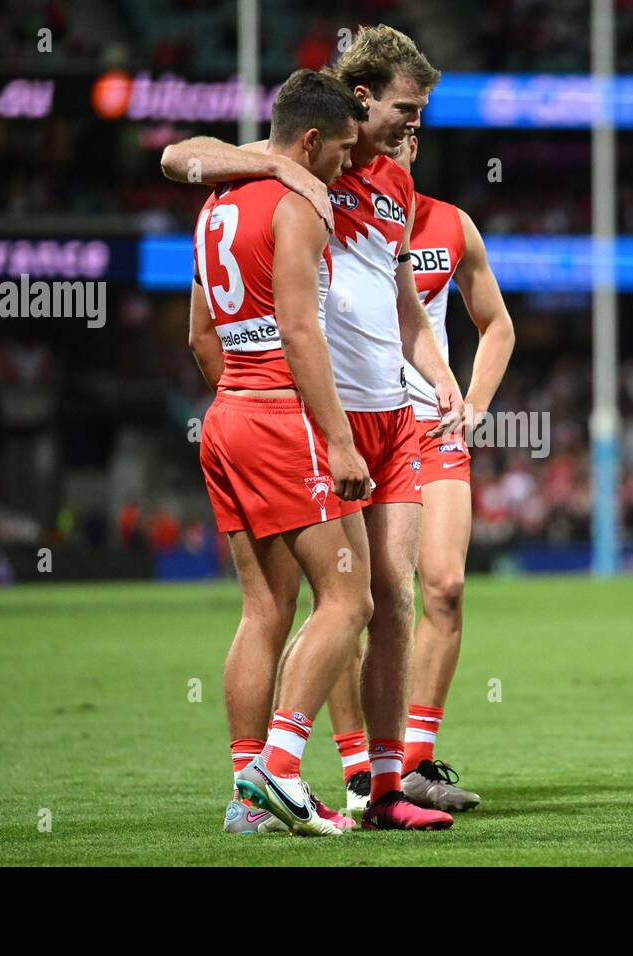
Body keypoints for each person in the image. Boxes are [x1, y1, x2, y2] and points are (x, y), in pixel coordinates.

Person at [165, 25, 462, 830]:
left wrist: (439, 378)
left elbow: (403, 303)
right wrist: (278, 414)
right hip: (318, 419)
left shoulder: (390, 183)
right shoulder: (302, 179)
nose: (415, 126)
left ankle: (379, 788)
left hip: (389, 415)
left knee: (383, 599)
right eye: (405, 108)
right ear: (356, 105)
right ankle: (291, 773)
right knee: (344, 598)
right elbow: (177, 156)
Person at [187, 68, 373, 836]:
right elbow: (300, 332)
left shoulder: (215, 204)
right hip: (278, 419)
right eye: (340, 151)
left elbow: (200, 335)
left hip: (226, 417)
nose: (346, 166)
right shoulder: (299, 204)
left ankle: (244, 797)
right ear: (308, 140)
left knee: (263, 610)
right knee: (350, 599)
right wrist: (333, 439)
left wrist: (240, 403)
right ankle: (283, 769)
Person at [326, 133, 515, 814]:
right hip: (354, 417)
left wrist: (475, 404)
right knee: (356, 598)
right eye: (394, 126)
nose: (406, 140)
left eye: (416, 129)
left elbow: (497, 324)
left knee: (446, 584)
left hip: (430, 421)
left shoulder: (450, 222)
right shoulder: (328, 204)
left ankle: (412, 761)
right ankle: (357, 766)